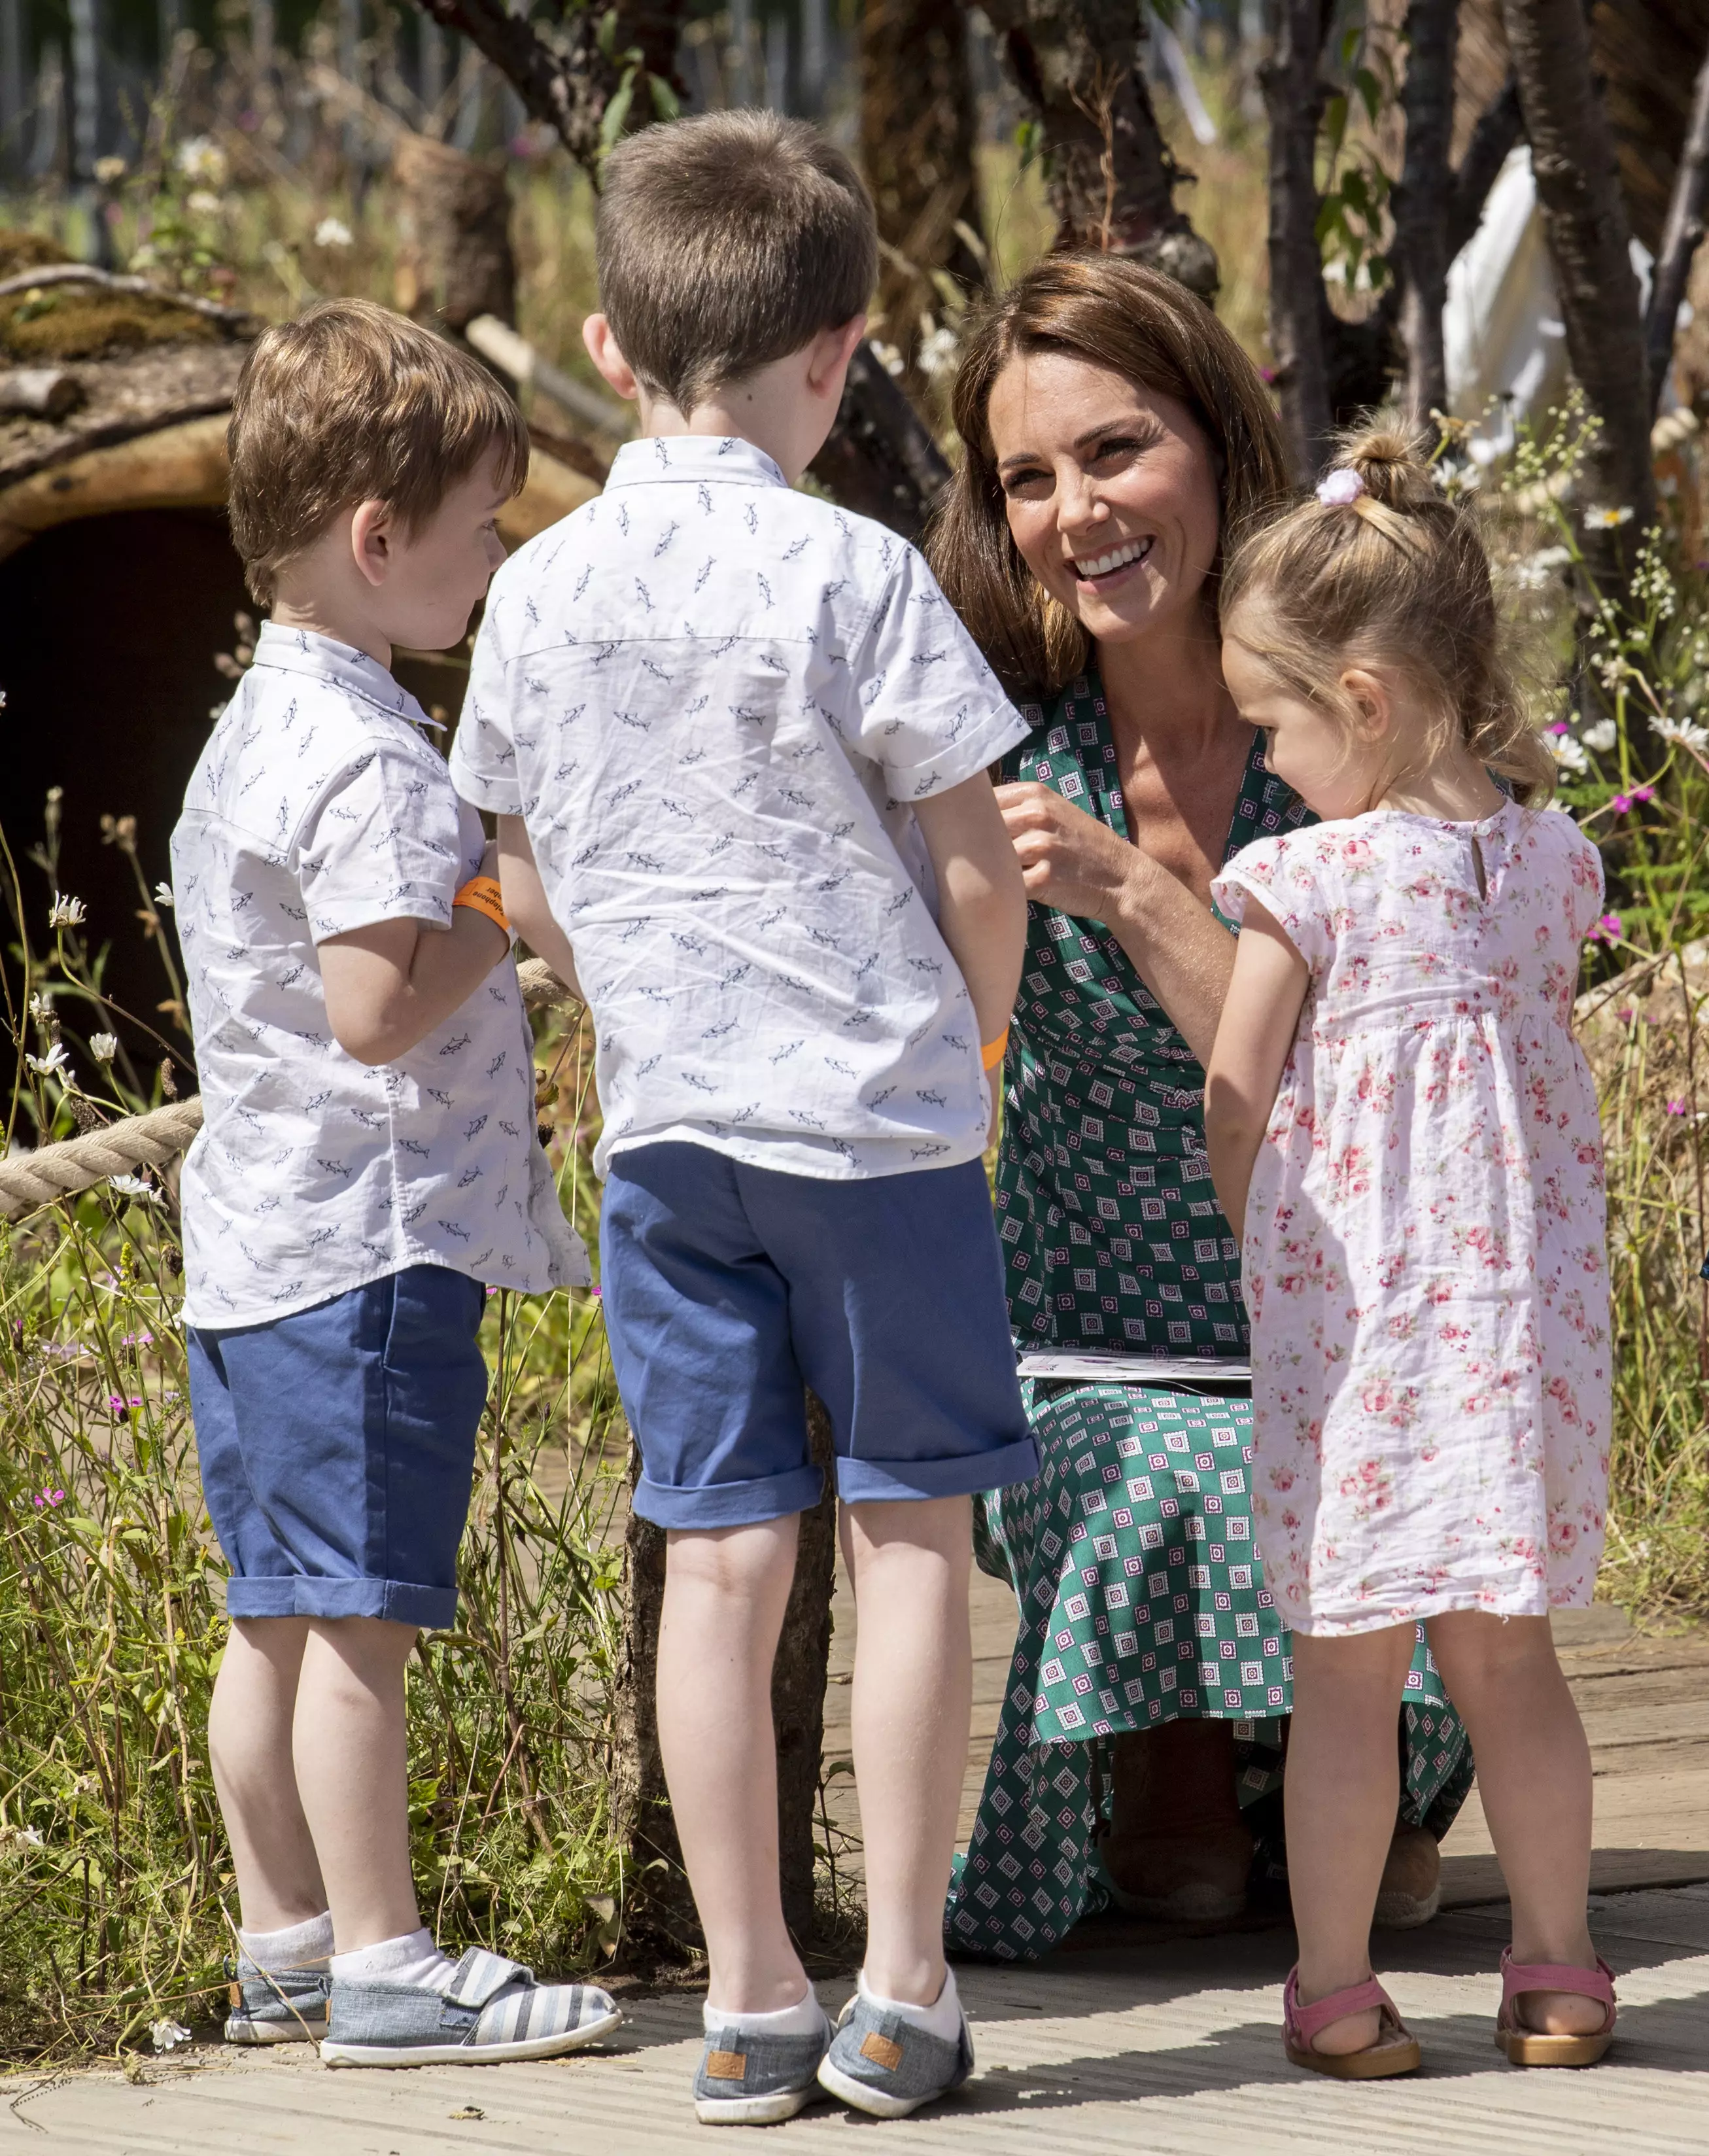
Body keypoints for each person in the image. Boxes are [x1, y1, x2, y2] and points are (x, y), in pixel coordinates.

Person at [451, 113, 1039, 2125]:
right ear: (845, 349)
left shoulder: (530, 594)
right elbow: (973, 853)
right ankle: (902, 1986)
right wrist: (968, 1051)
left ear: (610, 346)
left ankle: (746, 1996)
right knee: (905, 1544)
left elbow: (520, 884)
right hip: (870, 1127)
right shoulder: (855, 568)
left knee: (717, 1561)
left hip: (667, 1132)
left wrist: (639, 999)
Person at [929, 252, 1472, 1961]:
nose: (1074, 511)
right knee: (1164, 1464)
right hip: (1082, 1350)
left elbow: (1370, 1083)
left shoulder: (1354, 730)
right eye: (1028, 477)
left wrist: (1136, 898)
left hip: (1351, 1321)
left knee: (1399, 1464)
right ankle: (1172, 1780)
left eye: (1114, 452)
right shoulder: (992, 746)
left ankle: (1323, 1774)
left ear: (1220, 449)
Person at [172, 300, 616, 2068]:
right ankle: (384, 1957)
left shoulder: (261, 722)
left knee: (276, 1610)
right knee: (365, 1615)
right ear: (379, 538)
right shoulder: (363, 750)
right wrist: (500, 898)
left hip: (259, 1251)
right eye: (481, 529)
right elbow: (375, 1005)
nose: (494, 560)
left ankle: (282, 1936)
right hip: (365, 1246)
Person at [1204, 428, 1614, 2076]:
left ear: (1364, 698)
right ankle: (1562, 1965)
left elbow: (1238, 1088)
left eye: (1274, 724)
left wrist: (1258, 1228)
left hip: (1360, 1329)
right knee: (1511, 1658)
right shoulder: (1550, 861)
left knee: (1346, 1674)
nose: (1267, 761)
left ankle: (1334, 1984)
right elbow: (1544, 1082)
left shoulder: (1308, 876)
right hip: (1518, 1331)